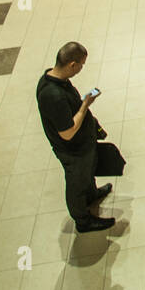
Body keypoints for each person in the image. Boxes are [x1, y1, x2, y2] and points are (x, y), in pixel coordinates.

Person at [36, 42, 116, 233]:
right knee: (77, 183)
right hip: (73, 150)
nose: (81, 68)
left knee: (87, 172)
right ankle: (83, 221)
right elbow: (67, 132)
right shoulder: (53, 95)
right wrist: (85, 105)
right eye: (81, 65)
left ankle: (92, 194)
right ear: (72, 64)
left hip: (83, 143)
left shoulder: (54, 78)